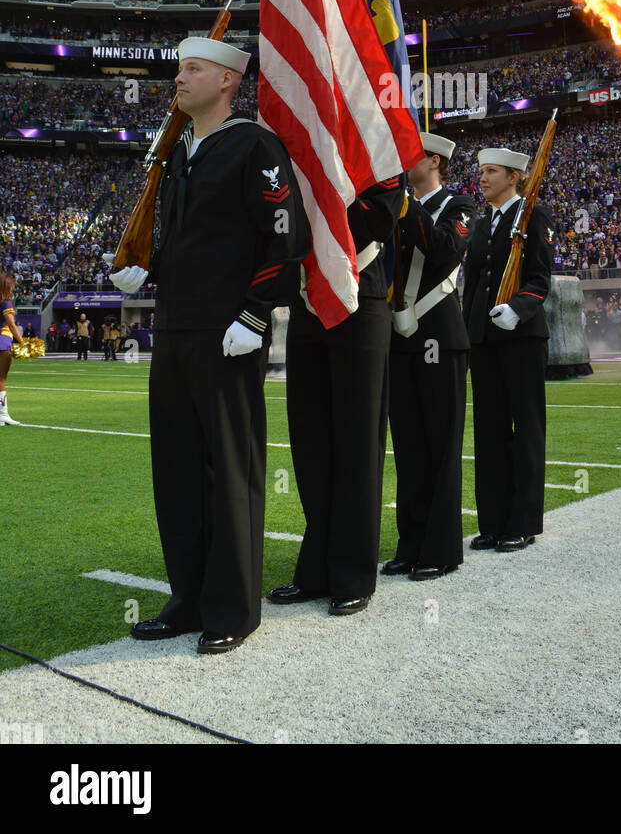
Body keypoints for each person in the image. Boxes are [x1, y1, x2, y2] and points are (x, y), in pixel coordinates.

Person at [109, 36, 309, 655]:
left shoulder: (253, 146)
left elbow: (286, 237)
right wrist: (148, 268)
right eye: (179, 69)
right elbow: (188, 240)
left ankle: (233, 607)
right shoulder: (177, 152)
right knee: (176, 469)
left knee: (230, 468)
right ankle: (188, 596)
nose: (179, 78)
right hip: (174, 329)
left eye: (193, 69)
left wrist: (255, 313)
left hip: (229, 333)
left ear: (227, 80)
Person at [267, 174, 406, 617]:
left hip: (359, 294)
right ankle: (316, 570)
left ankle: (353, 574)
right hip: (308, 298)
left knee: (357, 443)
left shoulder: (376, 145)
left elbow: (378, 220)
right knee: (310, 442)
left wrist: (326, 184)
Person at [382, 133, 476, 581]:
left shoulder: (460, 207)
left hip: (438, 333)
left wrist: (404, 204)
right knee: (409, 447)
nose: (402, 160)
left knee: (441, 444)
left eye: (411, 153)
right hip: (399, 336)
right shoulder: (397, 205)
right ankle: (411, 543)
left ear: (434, 161)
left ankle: (441, 549)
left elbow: (442, 249)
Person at [462, 145, 554, 553]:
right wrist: (468, 333)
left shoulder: (534, 215)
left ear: (514, 177)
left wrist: (518, 308)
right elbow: (473, 283)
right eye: (482, 171)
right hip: (485, 340)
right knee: (489, 432)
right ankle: (493, 522)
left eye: (492, 171)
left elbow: (540, 276)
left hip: (521, 337)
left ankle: (523, 522)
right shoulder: (484, 223)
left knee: (526, 429)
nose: (483, 178)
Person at [0, 272, 25, 425]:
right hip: (3, 342)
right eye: (11, 286)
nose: (13, 289)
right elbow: (11, 324)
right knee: (1, 379)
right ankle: (3, 414)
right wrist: (22, 343)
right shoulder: (6, 303)